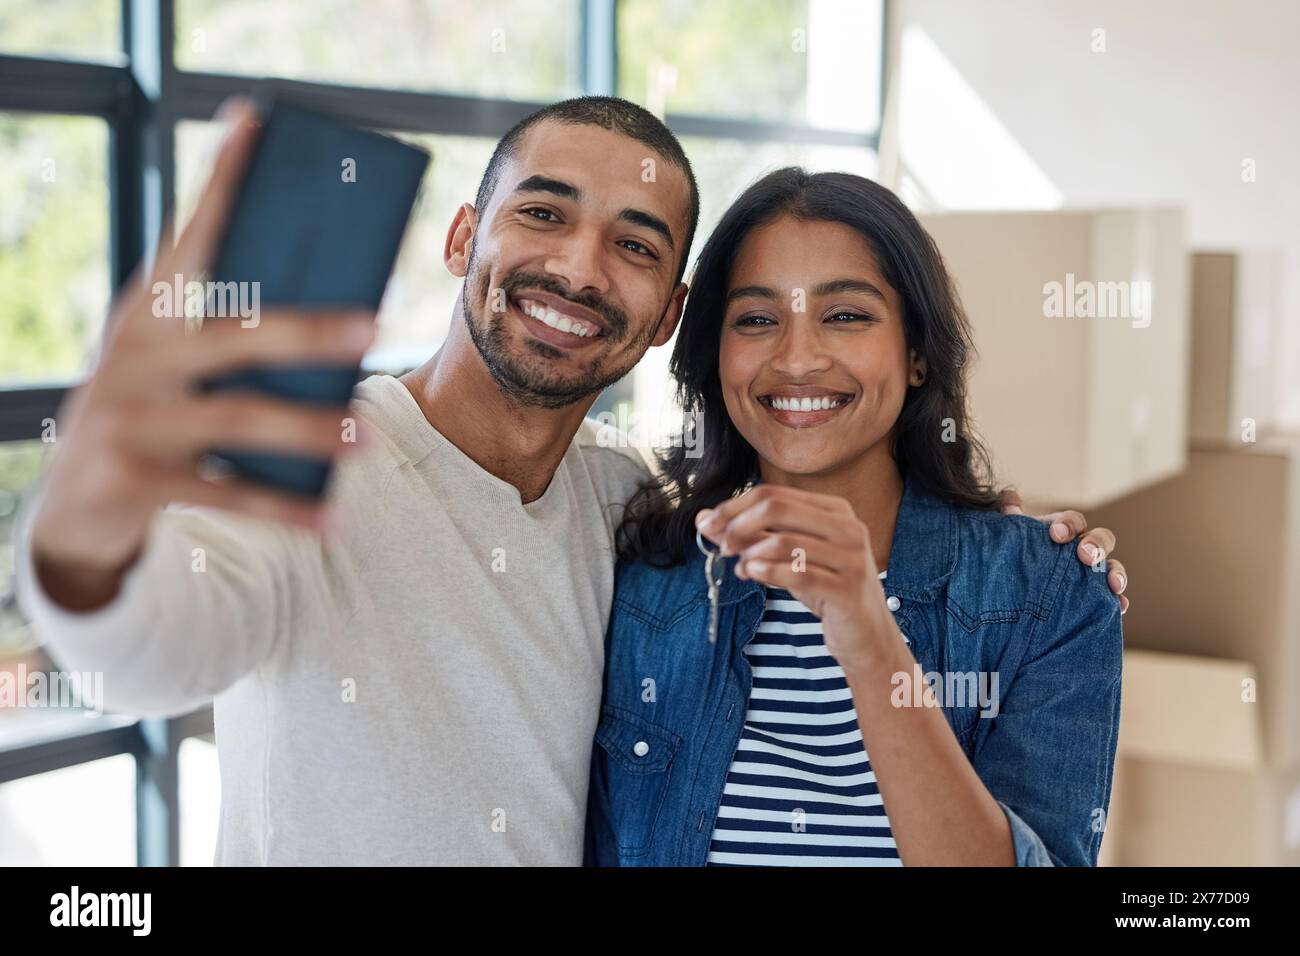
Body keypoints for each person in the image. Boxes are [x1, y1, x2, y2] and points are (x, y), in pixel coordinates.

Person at [16, 97, 1126, 865]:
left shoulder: (631, 512)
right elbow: (158, 647)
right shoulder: (323, 458)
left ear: (664, 316)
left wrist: (1010, 546)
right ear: (463, 238)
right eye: (542, 212)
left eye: (637, 245)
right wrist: (93, 507)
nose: (581, 269)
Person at [587, 168, 1124, 867]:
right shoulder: (641, 578)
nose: (798, 358)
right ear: (714, 356)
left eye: (846, 315)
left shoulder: (1051, 595)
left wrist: (868, 636)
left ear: (918, 356)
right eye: (756, 319)